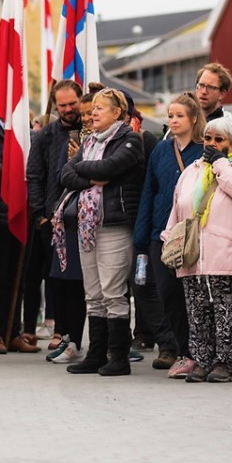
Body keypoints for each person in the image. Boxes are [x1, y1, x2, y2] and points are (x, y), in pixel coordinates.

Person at [57, 87, 146, 376]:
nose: (92, 113)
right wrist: (90, 176)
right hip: (87, 225)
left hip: (114, 224)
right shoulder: (89, 141)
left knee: (112, 291)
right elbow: (65, 175)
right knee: (93, 293)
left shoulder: (130, 140)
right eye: (92, 108)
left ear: (117, 112)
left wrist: (83, 170)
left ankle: (118, 357)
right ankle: (96, 354)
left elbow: (111, 167)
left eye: (99, 108)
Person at [163, 117, 232, 382]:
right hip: (194, 253)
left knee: (228, 312)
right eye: (208, 138)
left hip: (227, 251)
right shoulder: (191, 170)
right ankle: (202, 360)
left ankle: (225, 363)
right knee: (197, 311)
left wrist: (219, 163)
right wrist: (170, 238)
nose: (212, 144)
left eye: (219, 139)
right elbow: (178, 207)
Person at [133, 92, 205, 377]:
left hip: (192, 233)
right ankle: (179, 347)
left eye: (179, 116)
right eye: (171, 116)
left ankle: (197, 352)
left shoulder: (204, 150)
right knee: (167, 293)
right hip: (160, 233)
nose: (173, 121)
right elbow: (149, 190)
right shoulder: (161, 150)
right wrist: (142, 234)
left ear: (194, 119)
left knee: (193, 296)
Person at [31, 80, 86, 364]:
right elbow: (35, 175)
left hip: (86, 219)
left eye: (71, 104)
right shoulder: (45, 136)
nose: (67, 110)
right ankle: (63, 335)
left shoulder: (92, 131)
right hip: (54, 221)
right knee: (60, 282)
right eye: (62, 105)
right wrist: (40, 213)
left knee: (86, 284)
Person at [0, 111, 38, 354]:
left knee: (18, 276)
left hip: (24, 213)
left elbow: (37, 165)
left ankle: (14, 331)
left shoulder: (29, 134)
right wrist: (17, 171)